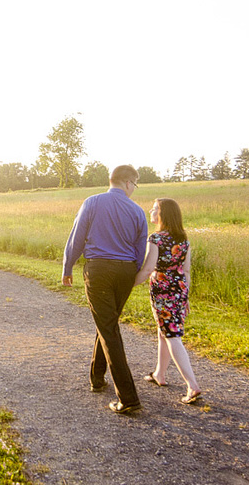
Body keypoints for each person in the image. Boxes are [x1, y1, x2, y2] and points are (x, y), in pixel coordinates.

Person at [63, 165, 148, 414]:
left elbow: (77, 237)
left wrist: (68, 267)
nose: (134, 189)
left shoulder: (92, 202)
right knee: (108, 325)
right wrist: (132, 273)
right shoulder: (137, 211)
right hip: (125, 272)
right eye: (135, 184)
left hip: (98, 271)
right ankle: (97, 379)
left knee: (108, 328)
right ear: (128, 182)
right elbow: (139, 248)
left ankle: (128, 398)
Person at [135, 197, 202, 405]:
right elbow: (187, 270)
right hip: (179, 288)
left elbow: (148, 269)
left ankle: (192, 385)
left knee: (172, 335)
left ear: (162, 214)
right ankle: (159, 374)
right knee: (163, 331)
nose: (151, 211)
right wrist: (185, 296)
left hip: (163, 291)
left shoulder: (156, 239)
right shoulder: (183, 240)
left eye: (154, 208)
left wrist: (127, 286)